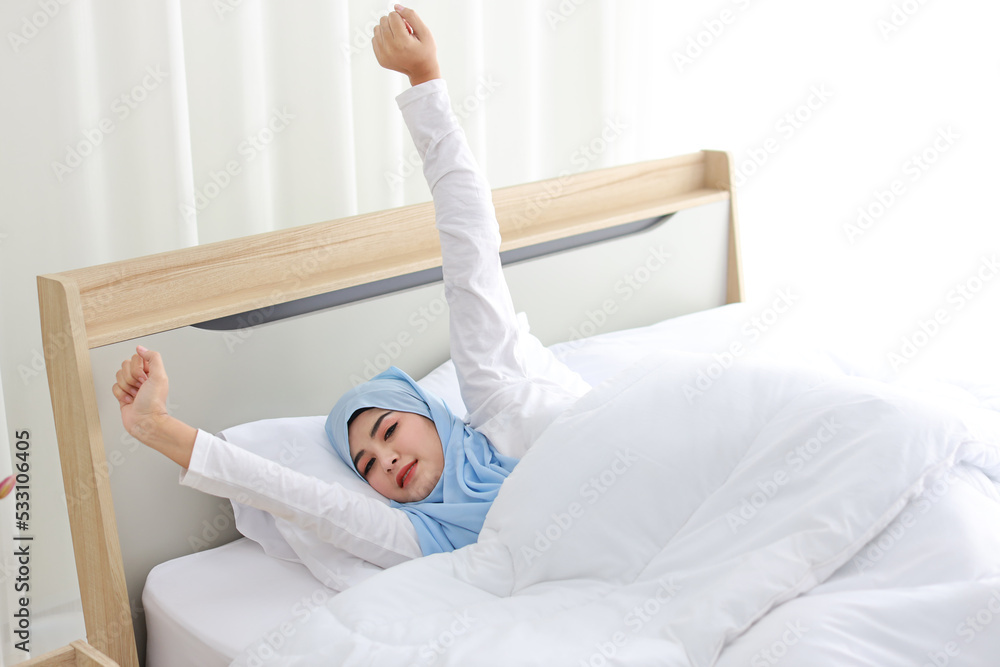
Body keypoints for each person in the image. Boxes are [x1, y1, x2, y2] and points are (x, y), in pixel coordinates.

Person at [112, 5, 590, 563]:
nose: (384, 460)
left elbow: (471, 248)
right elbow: (293, 496)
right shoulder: (421, 537)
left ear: (436, 418)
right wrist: (154, 426)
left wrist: (424, 79)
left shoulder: (498, 392)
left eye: (389, 431)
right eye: (366, 465)